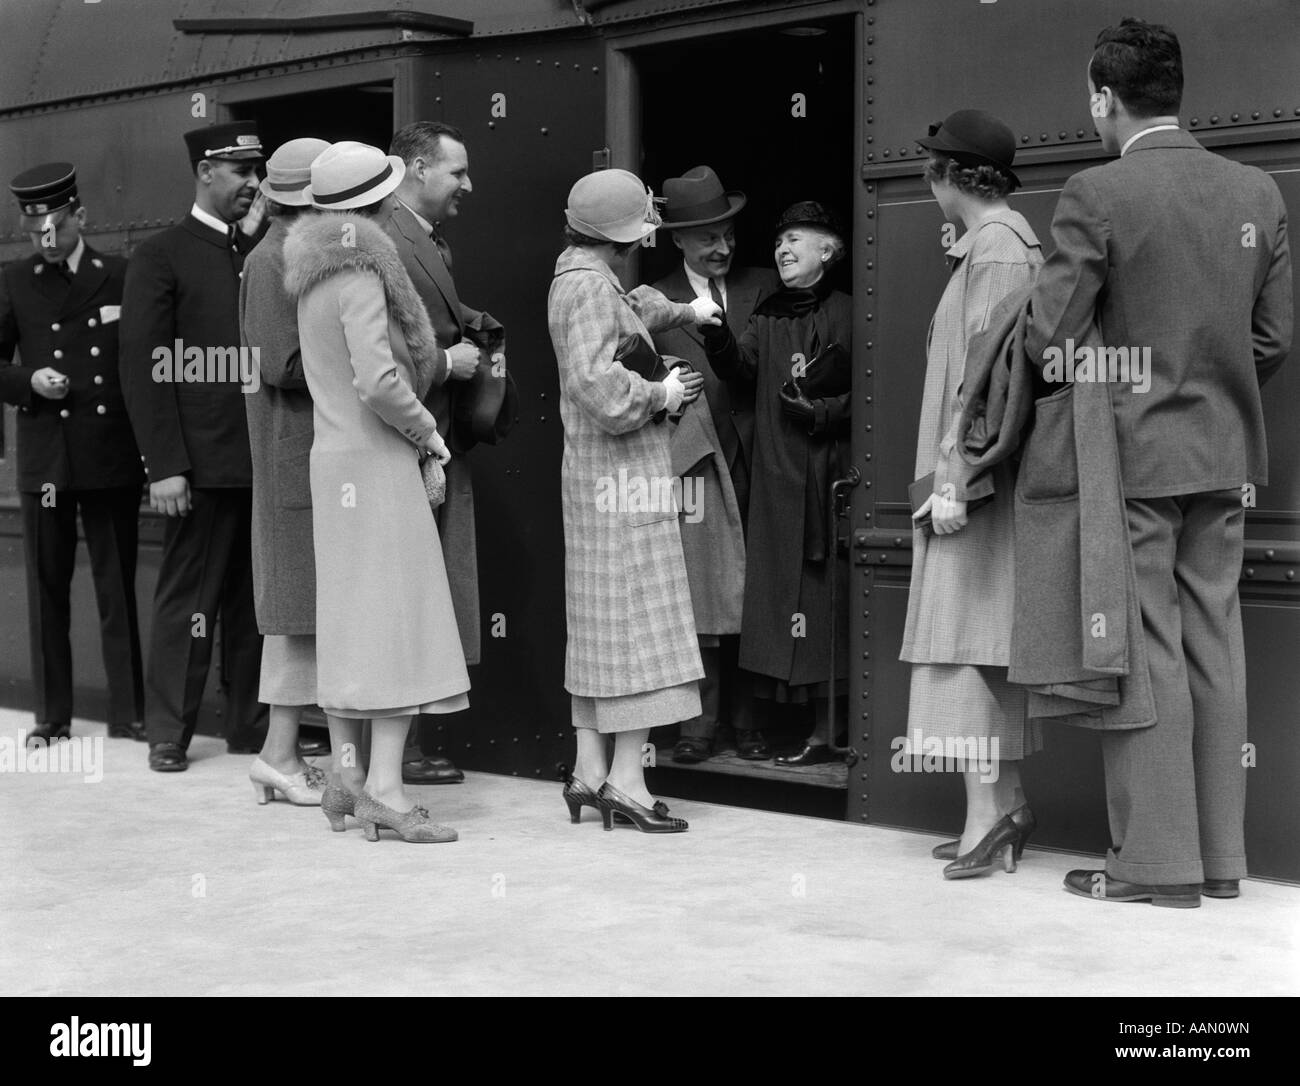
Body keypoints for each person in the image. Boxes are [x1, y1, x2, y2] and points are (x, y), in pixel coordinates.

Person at [1024, 19, 1291, 906]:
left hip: (1134, 462)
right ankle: (1219, 864)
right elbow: (1272, 339)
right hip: (1225, 455)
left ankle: (1154, 865)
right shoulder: (1256, 191)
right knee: (1217, 647)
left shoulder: (1096, 193)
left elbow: (1050, 339)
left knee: (1145, 655)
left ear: (1105, 98)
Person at [283, 141, 470, 843]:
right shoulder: (362, 274)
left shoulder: (309, 278)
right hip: (378, 462)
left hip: (332, 464)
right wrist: (427, 433)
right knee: (397, 626)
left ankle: (347, 778)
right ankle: (386, 792)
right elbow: (381, 381)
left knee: (350, 625)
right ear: (374, 204)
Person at [548, 168, 720, 833]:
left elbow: (635, 308)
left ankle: (588, 769)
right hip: (624, 476)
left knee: (598, 626)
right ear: (619, 237)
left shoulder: (578, 278)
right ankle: (627, 780)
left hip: (595, 481)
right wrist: (662, 396)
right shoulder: (592, 290)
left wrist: (685, 311)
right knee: (637, 628)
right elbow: (599, 385)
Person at [901, 111, 1043, 879]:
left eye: (931, 170)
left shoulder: (994, 251)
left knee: (962, 646)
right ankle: (1005, 808)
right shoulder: (1000, 247)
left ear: (951, 175)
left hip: (973, 489)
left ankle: (988, 818)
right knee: (979, 644)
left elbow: (984, 382)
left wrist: (955, 478)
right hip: (981, 483)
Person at [120, 120, 269, 772]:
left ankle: (249, 724)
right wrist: (166, 467)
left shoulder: (255, 253)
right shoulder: (163, 255)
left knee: (251, 601)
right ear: (206, 172)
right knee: (188, 601)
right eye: (241, 171)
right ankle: (168, 732)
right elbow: (144, 367)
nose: (253, 183)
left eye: (257, 170)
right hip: (198, 469)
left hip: (255, 461)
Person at [0, 162, 144, 746]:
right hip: (48, 460)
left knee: (117, 587)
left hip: (108, 456)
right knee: (47, 590)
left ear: (80, 217)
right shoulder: (13, 280)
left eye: (56, 227)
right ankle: (52, 716)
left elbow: (140, 363)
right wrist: (29, 380)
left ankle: (129, 712)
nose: (47, 240)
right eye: (37, 233)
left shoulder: (120, 275)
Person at [702, 202, 851, 766]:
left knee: (822, 603)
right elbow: (740, 369)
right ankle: (767, 727)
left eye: (795, 240)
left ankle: (824, 732)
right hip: (773, 482)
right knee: (771, 607)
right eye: (779, 242)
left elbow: (868, 392)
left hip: (825, 479)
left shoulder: (848, 312)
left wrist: (823, 414)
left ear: (828, 251)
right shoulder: (766, 314)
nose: (782, 250)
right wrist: (717, 338)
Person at [384, 120, 501, 786]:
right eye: (456, 172)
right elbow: (375, 355)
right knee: (409, 596)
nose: (467, 185)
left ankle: (411, 744)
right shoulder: (388, 238)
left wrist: (470, 322)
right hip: (413, 445)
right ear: (420, 169)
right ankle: (395, 753)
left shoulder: (421, 239)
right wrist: (443, 361)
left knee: (428, 596)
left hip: (435, 444)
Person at [651, 165, 777, 764]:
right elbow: (628, 367)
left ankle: (750, 723)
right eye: (707, 237)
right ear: (678, 239)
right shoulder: (652, 298)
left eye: (728, 233)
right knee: (702, 595)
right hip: (698, 466)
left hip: (762, 461)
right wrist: (662, 381)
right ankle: (697, 728)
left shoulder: (769, 286)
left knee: (757, 593)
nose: (723, 246)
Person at [238, 137, 332, 806]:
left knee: (305, 609)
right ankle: (278, 754)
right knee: (298, 612)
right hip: (293, 457)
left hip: (303, 456)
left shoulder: (285, 255)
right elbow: (282, 365)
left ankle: (283, 754)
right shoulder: (271, 262)